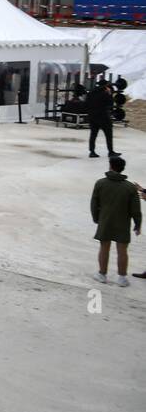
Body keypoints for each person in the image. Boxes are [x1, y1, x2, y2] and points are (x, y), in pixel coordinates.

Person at [91, 155, 139, 287]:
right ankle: (122, 278)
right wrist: (137, 223)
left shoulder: (100, 183)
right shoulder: (130, 187)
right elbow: (135, 209)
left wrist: (96, 218)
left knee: (104, 247)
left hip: (105, 220)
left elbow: (94, 203)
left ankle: (102, 274)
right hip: (123, 222)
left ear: (111, 166)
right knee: (122, 250)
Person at [86, 79, 120, 158]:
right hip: (103, 117)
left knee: (93, 134)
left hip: (92, 116)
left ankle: (92, 152)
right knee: (108, 134)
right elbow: (110, 104)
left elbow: (86, 104)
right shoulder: (105, 93)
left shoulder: (91, 93)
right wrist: (109, 93)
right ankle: (110, 151)